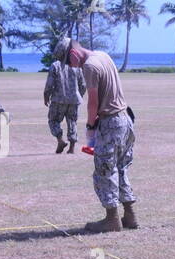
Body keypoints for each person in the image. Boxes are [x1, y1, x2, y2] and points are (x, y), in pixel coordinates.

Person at [54, 37, 139, 233]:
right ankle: (130, 215)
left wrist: (90, 127)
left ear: (73, 53)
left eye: (68, 61)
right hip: (125, 119)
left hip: (110, 122)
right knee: (121, 167)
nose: (70, 66)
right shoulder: (102, 55)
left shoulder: (89, 67)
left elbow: (93, 101)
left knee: (104, 170)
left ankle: (112, 219)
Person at [44, 54, 86, 153]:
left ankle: (60, 140)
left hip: (58, 99)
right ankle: (72, 148)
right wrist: (79, 96)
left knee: (53, 121)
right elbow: (83, 85)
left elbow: (49, 84)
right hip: (74, 100)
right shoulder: (77, 66)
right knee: (72, 122)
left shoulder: (55, 65)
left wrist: (46, 96)